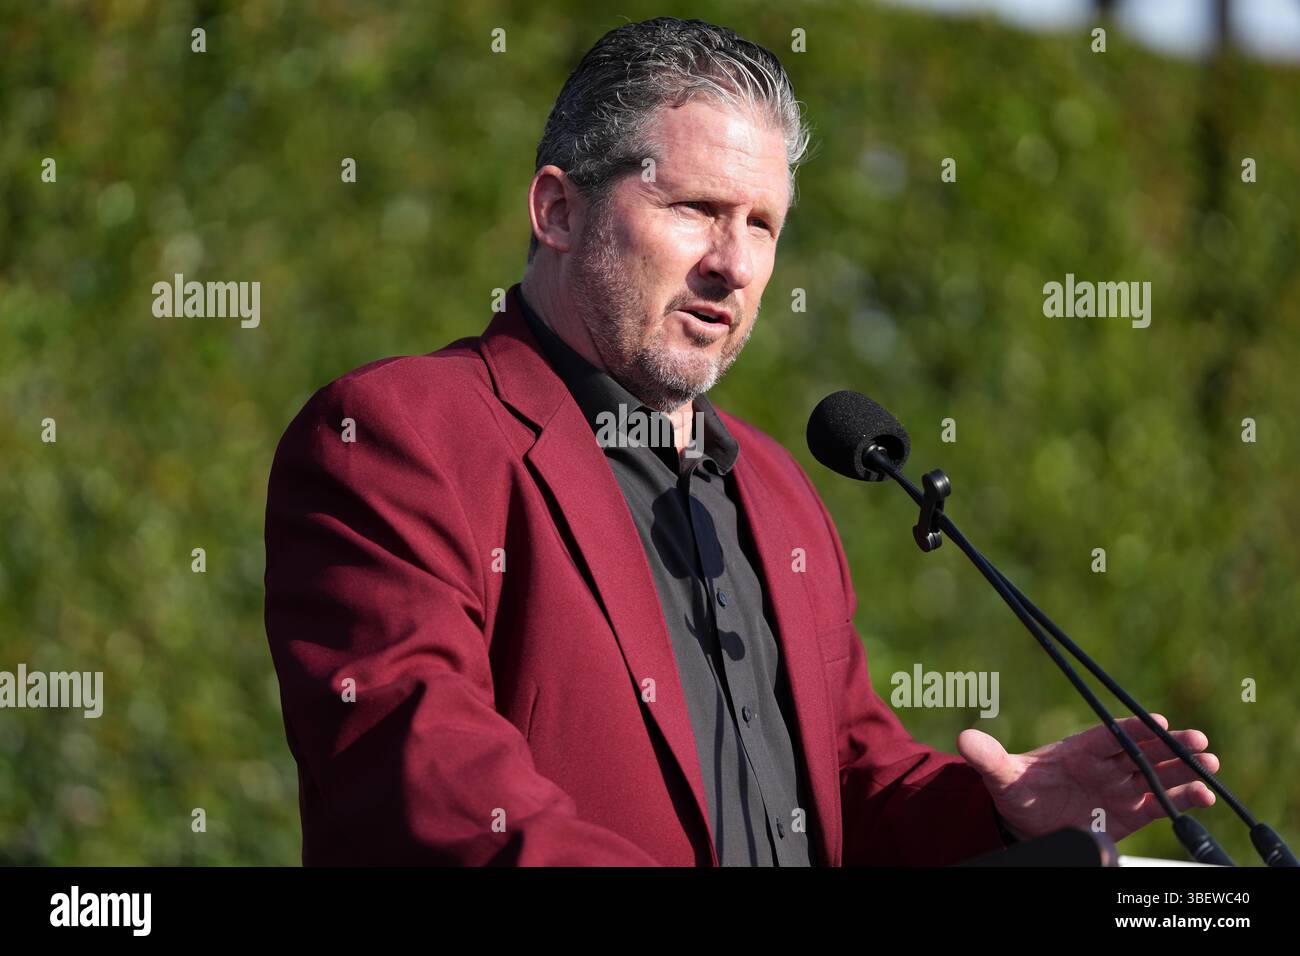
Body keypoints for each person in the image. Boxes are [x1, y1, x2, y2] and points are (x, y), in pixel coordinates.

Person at [263, 16, 1217, 866]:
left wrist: (999, 817)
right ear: (558, 210)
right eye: (694, 210)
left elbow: (846, 786)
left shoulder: (776, 487)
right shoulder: (401, 436)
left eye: (762, 224)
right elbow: (430, 788)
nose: (733, 263)